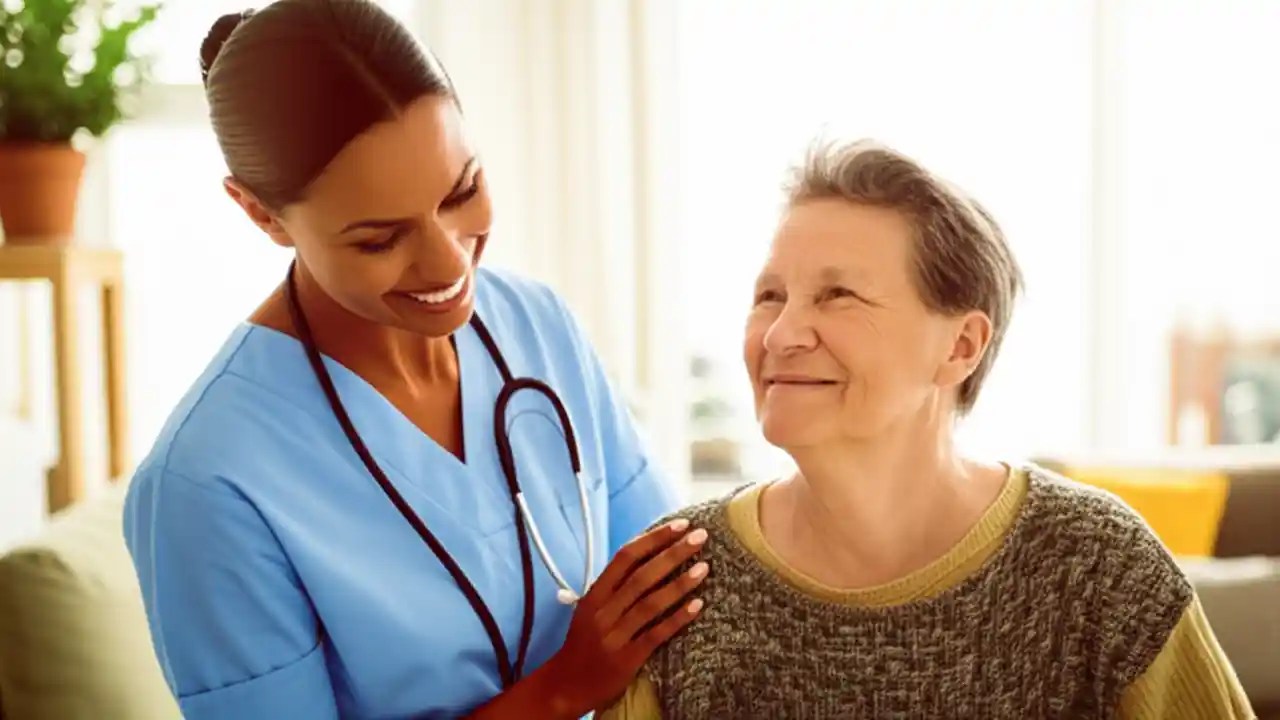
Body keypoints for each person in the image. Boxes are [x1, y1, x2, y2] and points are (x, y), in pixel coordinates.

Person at [121, 1, 711, 718]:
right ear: (262, 214)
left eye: (462, 191)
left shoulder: (538, 326)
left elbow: (683, 592)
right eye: (378, 239)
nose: (447, 259)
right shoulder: (206, 484)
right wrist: (562, 688)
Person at [600, 140, 1254, 719]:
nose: (780, 333)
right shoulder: (677, 576)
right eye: (770, 296)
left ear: (960, 346)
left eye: (837, 297)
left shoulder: (1096, 565)